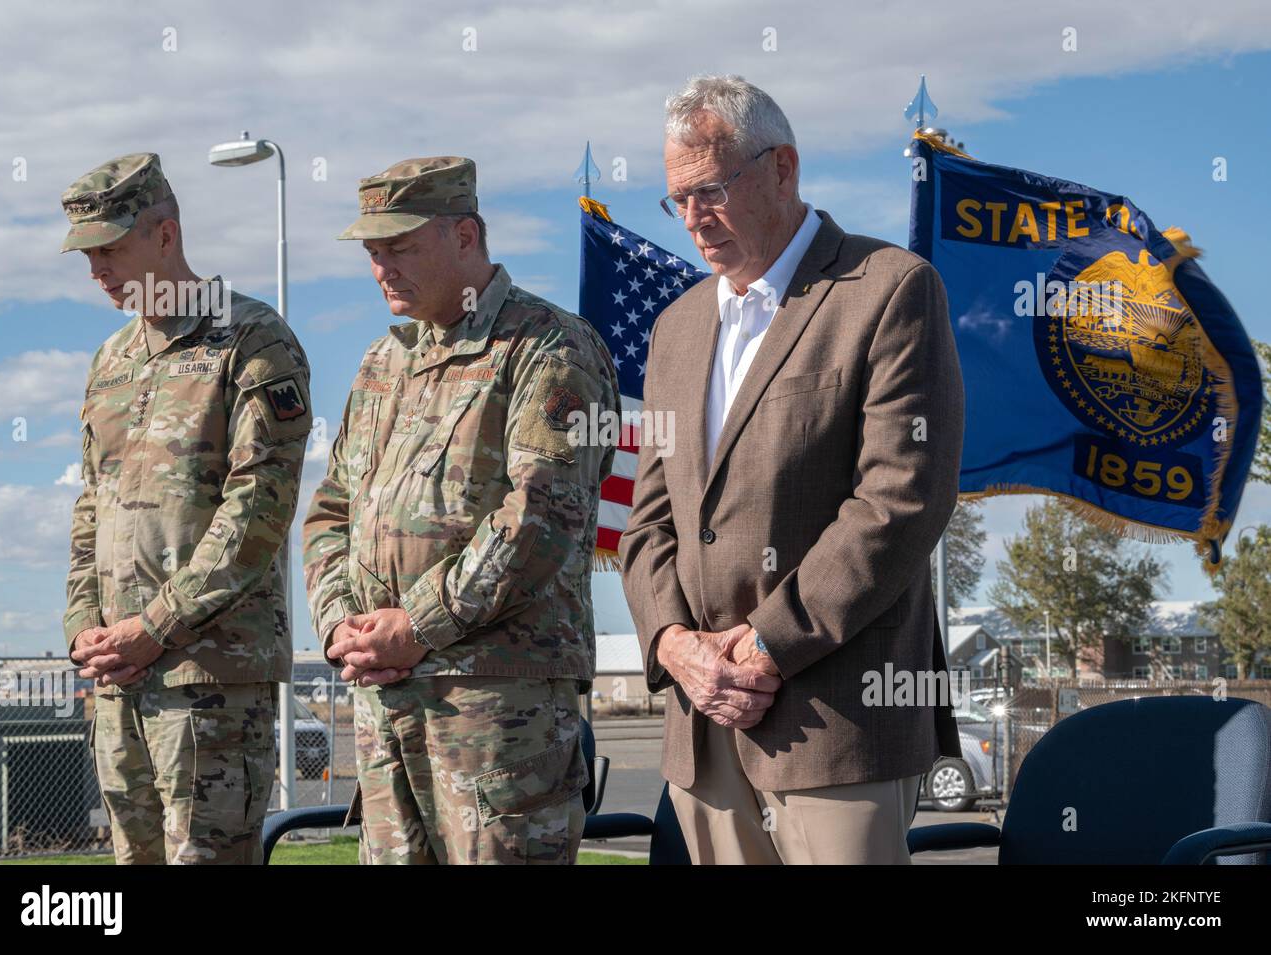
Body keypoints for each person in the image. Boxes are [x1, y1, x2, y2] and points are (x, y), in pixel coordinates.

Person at [620, 75, 965, 864]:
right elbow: (648, 521)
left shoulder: (889, 289)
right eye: (677, 199)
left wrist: (764, 646)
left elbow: (901, 500)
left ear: (783, 169)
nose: (693, 220)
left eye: (710, 189)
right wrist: (675, 645)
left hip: (835, 725)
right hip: (702, 733)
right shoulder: (674, 328)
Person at [303, 156, 620, 864]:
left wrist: (417, 624)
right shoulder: (381, 366)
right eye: (372, 253)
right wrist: (340, 630)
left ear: (466, 236)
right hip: (385, 711)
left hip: (496, 716)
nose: (382, 268)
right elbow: (330, 511)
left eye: (401, 247)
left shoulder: (547, 346)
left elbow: (540, 515)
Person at [61, 152, 312, 864]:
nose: (96, 271)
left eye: (109, 248)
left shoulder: (253, 340)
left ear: (165, 236)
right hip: (120, 678)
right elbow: (93, 503)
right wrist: (85, 623)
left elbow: (259, 506)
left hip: (210, 678)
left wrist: (156, 624)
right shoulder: (111, 360)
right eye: (86, 254)